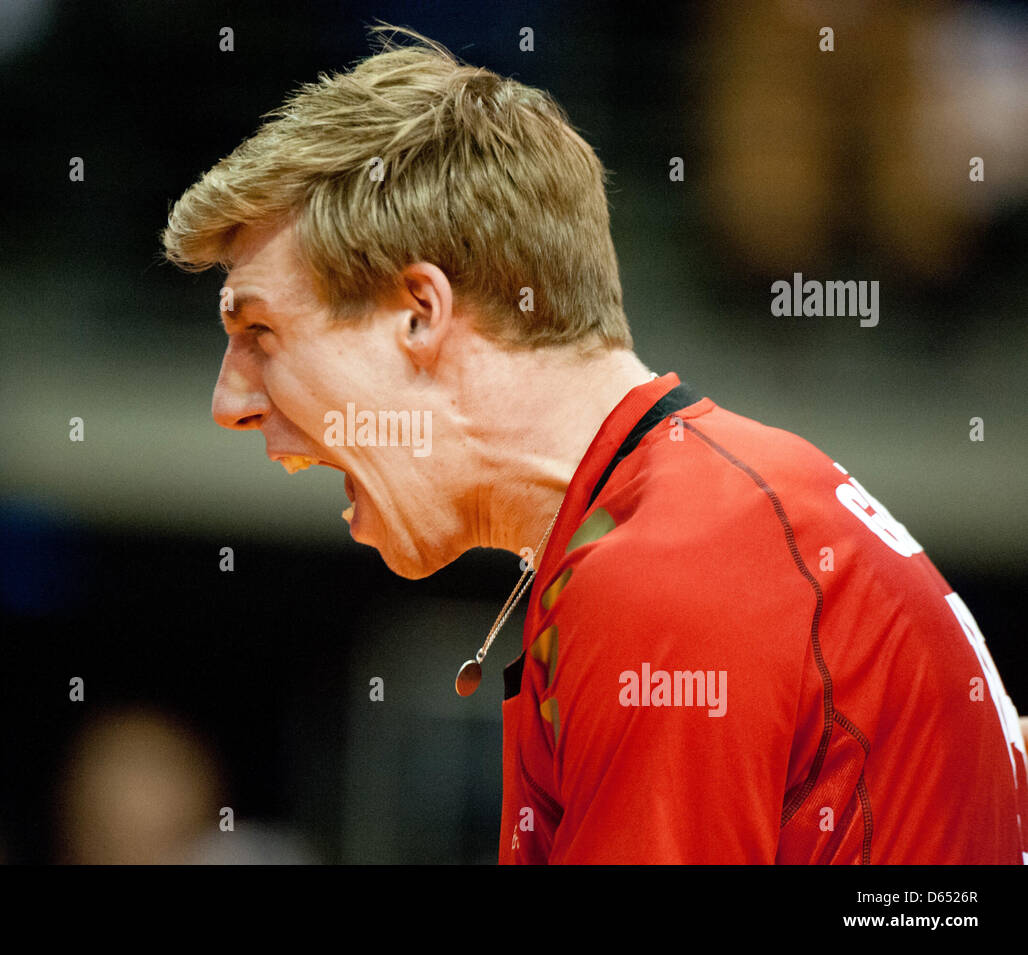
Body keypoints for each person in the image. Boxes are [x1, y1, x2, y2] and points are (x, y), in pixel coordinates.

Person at [161, 26, 1027, 863]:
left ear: (419, 313)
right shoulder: (694, 520)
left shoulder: (676, 573)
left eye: (262, 331)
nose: (229, 402)